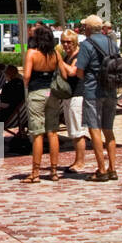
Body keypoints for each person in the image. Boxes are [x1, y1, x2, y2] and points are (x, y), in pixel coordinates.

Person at [76, 14, 118, 181]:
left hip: (93, 91)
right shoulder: (111, 43)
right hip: (111, 90)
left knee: (94, 129)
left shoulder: (86, 45)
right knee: (109, 129)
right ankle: (112, 168)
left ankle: (101, 169)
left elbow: (80, 71)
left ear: (87, 28)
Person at [22, 25, 61, 182]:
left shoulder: (32, 53)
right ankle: (54, 171)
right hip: (51, 93)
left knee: (37, 133)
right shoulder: (55, 54)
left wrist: (27, 86)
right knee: (52, 132)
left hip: (37, 93)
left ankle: (36, 172)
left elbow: (26, 75)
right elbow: (63, 72)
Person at [54, 30, 88, 174]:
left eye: (69, 42)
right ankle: (77, 160)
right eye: (63, 42)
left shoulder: (79, 55)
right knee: (72, 132)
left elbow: (72, 72)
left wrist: (59, 60)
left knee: (78, 132)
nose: (66, 45)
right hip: (69, 96)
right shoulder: (68, 56)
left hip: (77, 96)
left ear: (75, 41)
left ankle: (80, 161)